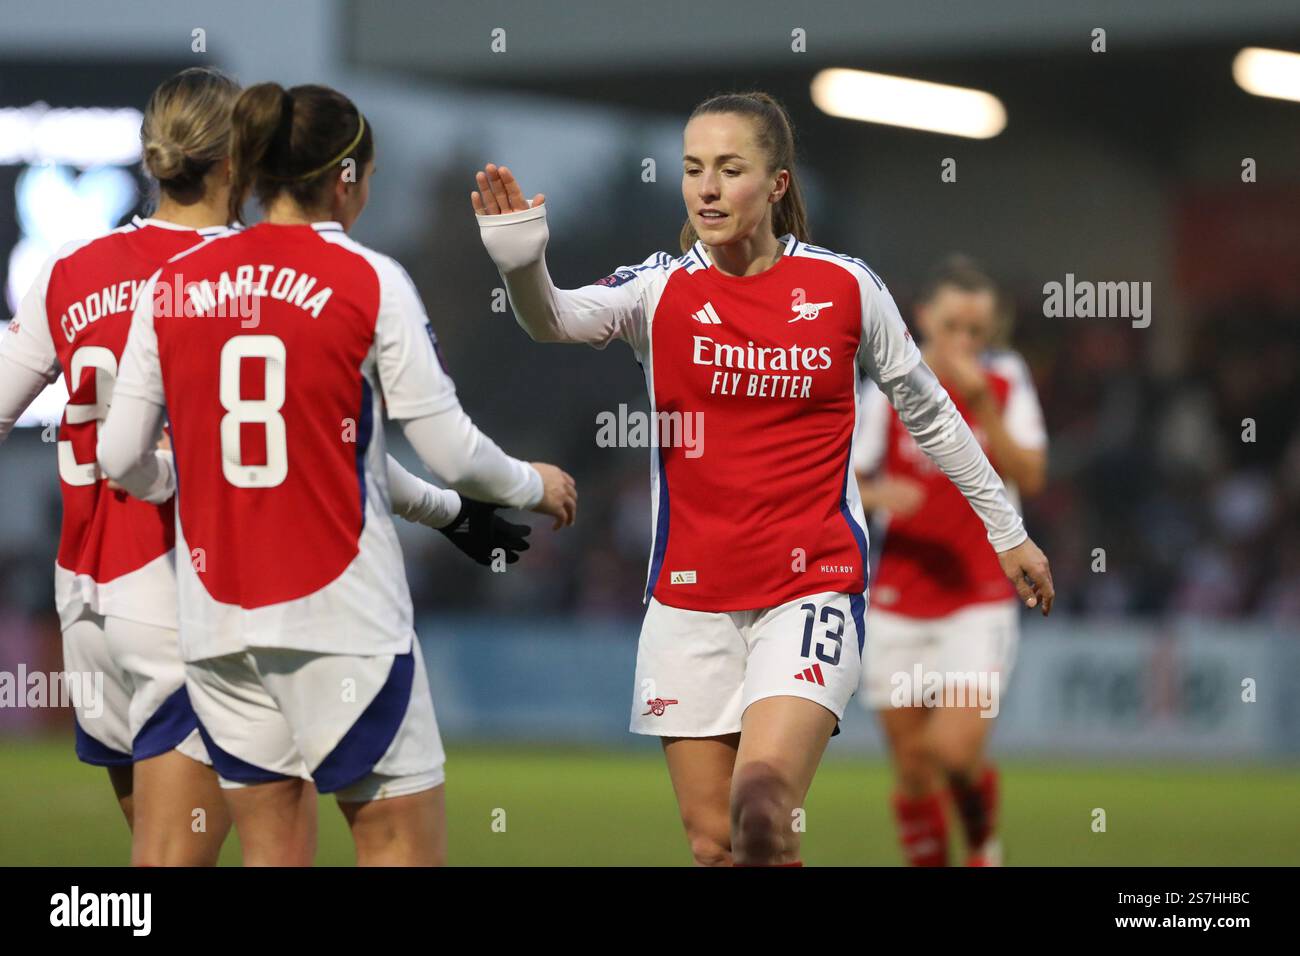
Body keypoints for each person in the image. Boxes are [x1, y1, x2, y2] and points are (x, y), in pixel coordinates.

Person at [472, 91, 1053, 866]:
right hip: (689, 598)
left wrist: (1006, 530)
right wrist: (521, 266)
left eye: (729, 169)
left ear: (776, 184)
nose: (706, 189)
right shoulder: (661, 288)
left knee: (762, 805)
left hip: (810, 586)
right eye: (692, 170)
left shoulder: (847, 288)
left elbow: (932, 413)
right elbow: (554, 318)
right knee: (716, 846)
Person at [98, 81, 576, 866]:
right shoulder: (368, 279)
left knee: (273, 852)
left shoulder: (173, 284)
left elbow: (121, 458)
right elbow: (449, 449)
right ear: (345, 178)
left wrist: (195, 488)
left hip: (217, 622)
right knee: (396, 849)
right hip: (341, 618)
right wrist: (532, 483)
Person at [854, 255, 1047, 866]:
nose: (965, 341)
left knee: (956, 753)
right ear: (923, 320)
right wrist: (882, 495)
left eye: (977, 331)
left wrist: (981, 404)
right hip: (898, 599)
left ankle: (982, 845)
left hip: (980, 594)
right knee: (913, 770)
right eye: (953, 327)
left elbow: (1033, 476)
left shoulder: (1007, 379)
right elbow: (839, 483)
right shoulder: (886, 387)